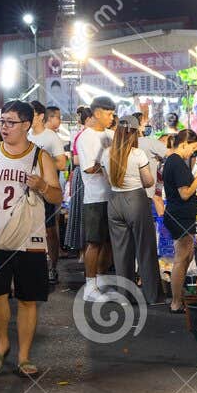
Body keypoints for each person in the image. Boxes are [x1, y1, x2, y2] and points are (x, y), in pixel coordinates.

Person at [0, 100, 61, 376]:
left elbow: (57, 197)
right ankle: (2, 342)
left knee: (28, 298)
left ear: (26, 125)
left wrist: (42, 185)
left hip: (30, 239)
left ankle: (24, 355)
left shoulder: (40, 157)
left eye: (11, 122)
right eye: (2, 121)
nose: (4, 126)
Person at [107, 113, 163, 303]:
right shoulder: (138, 154)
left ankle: (124, 295)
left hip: (114, 202)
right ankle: (152, 295)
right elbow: (148, 181)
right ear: (133, 133)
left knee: (121, 252)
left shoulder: (107, 153)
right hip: (136, 201)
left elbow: (107, 179)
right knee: (145, 248)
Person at [161, 130, 197, 312]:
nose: (193, 152)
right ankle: (175, 302)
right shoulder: (177, 163)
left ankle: (178, 297)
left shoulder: (172, 161)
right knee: (181, 259)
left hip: (181, 215)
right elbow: (185, 193)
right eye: (192, 147)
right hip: (180, 215)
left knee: (186, 256)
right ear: (183, 144)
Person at [75, 96, 117, 302]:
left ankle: (101, 281)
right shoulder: (86, 137)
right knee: (95, 242)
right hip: (95, 197)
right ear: (97, 113)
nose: (111, 118)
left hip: (115, 196)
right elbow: (90, 167)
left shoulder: (112, 134)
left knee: (109, 242)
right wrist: (111, 166)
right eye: (109, 114)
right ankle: (90, 286)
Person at [29, 104, 69, 282]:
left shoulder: (50, 137)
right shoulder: (25, 135)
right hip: (27, 190)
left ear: (39, 116)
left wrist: (41, 161)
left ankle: (52, 266)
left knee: (49, 230)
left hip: (47, 189)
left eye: (30, 114)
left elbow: (62, 163)